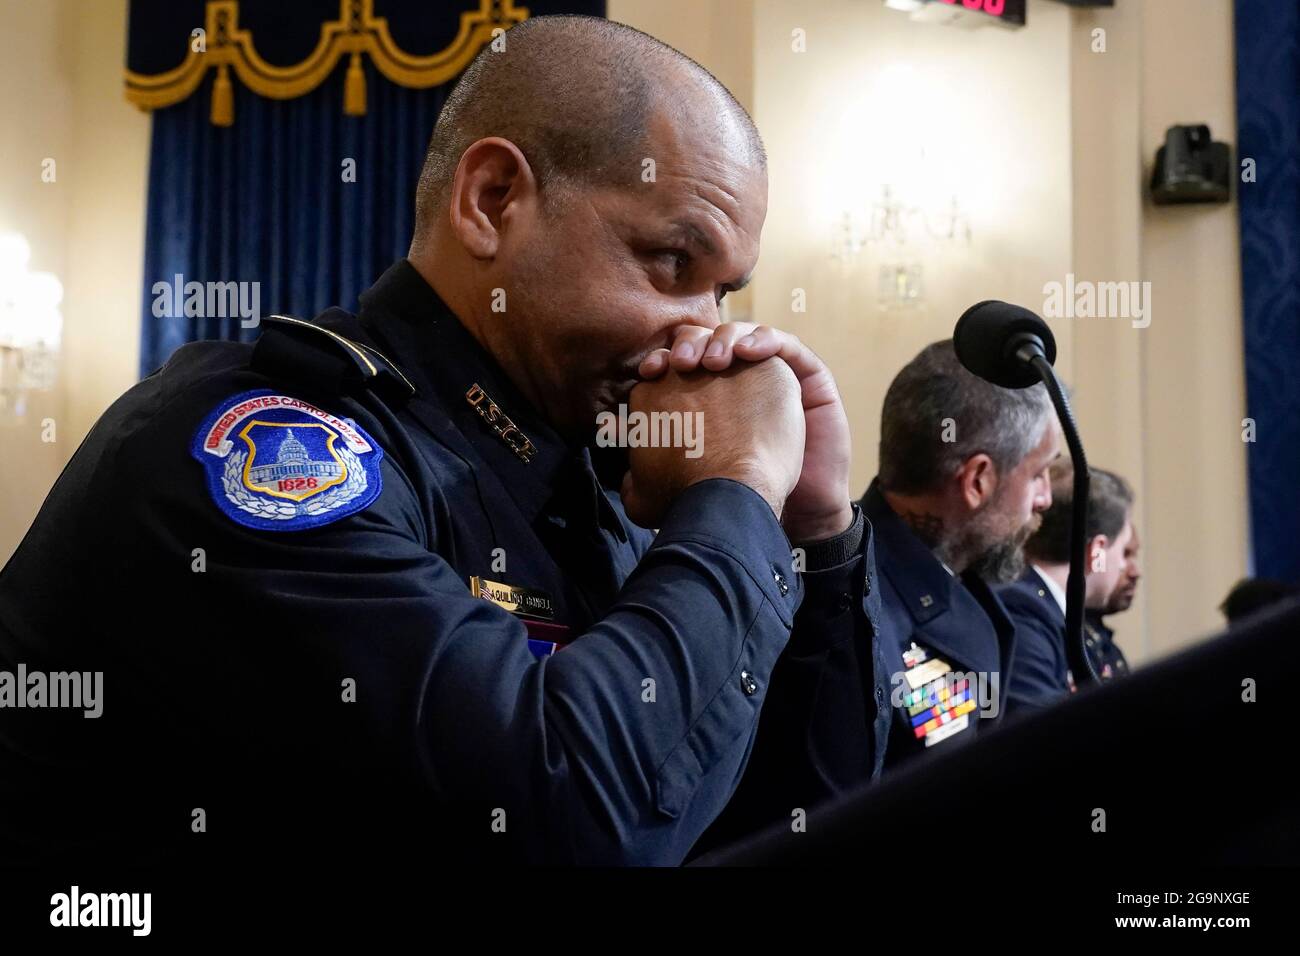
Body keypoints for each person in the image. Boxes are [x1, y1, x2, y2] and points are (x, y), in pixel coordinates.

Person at [0, 16, 889, 867]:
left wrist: (816, 535)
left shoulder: (587, 480)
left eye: (725, 293)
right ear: (492, 201)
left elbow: (800, 815)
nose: (705, 337)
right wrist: (732, 494)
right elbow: (561, 819)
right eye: (672, 264)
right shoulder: (260, 447)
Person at [858, 340, 1057, 768]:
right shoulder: (858, 613)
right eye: (1039, 474)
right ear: (977, 481)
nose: (1045, 500)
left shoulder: (944, 573)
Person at [998, 463, 1134, 709]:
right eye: (1123, 551)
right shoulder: (1026, 616)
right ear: (1097, 552)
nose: (1125, 566)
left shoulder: (1059, 614)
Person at [1085, 519, 1141, 679]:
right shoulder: (1063, 636)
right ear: (1095, 553)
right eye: (1124, 554)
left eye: (1134, 556)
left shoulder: (1105, 645)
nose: (1135, 572)